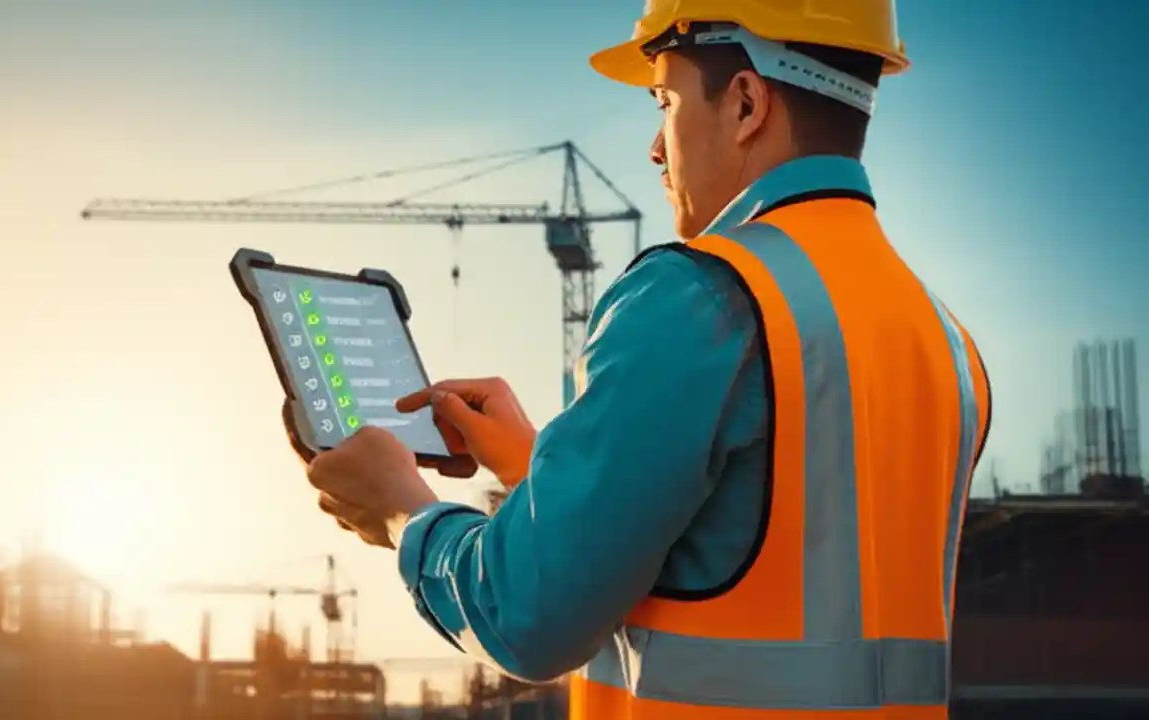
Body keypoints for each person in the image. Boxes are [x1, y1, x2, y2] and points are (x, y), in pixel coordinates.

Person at [291, 1, 992, 717]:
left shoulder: (700, 295)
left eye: (665, 102)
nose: (656, 149)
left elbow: (524, 616)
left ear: (746, 102)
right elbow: (767, 545)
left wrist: (403, 515)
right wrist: (537, 471)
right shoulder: (944, 339)